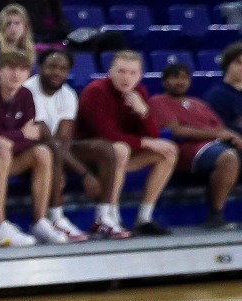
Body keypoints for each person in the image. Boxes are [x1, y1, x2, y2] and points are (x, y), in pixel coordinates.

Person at [75, 51, 179, 238]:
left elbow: (153, 136)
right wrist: (144, 142)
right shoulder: (95, 91)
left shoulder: (139, 93)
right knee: (119, 150)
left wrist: (143, 112)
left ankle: (144, 218)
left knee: (168, 151)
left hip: (118, 156)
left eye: (132, 73)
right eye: (121, 71)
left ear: (140, 76)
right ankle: (110, 215)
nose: (126, 78)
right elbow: (105, 135)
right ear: (110, 72)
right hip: (88, 154)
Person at [0, 50, 64, 244]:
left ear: (29, 74)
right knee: (1, 148)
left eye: (22, 70)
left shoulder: (26, 94)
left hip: (11, 153)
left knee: (43, 152)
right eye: (11, 69)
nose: (16, 74)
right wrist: (20, 134)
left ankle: (40, 221)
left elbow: (34, 137)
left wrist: (17, 138)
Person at [150, 60, 242, 230]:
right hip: (187, 148)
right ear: (164, 82)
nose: (180, 81)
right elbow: (177, 131)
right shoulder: (158, 101)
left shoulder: (199, 103)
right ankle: (216, 215)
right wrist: (219, 134)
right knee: (228, 158)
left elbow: (220, 127)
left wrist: (234, 137)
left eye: (184, 77)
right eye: (175, 78)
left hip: (218, 144)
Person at [29, 49, 95, 239]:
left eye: (63, 68)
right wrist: (84, 173)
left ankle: (106, 216)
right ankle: (55, 217)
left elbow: (64, 139)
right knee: (51, 149)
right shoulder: (28, 90)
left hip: (55, 151)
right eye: (52, 67)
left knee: (105, 149)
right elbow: (45, 138)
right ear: (40, 67)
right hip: (30, 151)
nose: (57, 72)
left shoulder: (68, 94)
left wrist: (69, 168)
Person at [207, 45, 242, 141]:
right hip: (237, 141)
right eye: (238, 63)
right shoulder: (217, 95)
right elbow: (218, 126)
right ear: (227, 64)